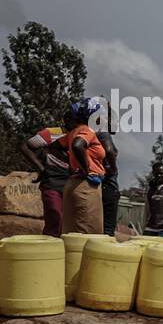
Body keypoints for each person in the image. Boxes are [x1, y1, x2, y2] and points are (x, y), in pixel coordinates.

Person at [60, 98, 106, 235]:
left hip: (74, 185)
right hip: (86, 187)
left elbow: (55, 147)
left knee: (72, 235)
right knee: (89, 235)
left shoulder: (73, 132)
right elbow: (77, 145)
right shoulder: (87, 131)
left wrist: (71, 165)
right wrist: (86, 169)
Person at [18, 125, 70, 237]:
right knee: (54, 214)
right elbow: (26, 147)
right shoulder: (52, 133)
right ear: (68, 121)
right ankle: (49, 248)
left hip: (73, 180)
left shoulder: (83, 134)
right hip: (52, 178)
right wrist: (41, 168)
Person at [97, 124, 119, 236]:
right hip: (108, 185)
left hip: (102, 184)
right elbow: (109, 150)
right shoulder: (103, 133)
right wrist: (113, 169)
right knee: (108, 230)